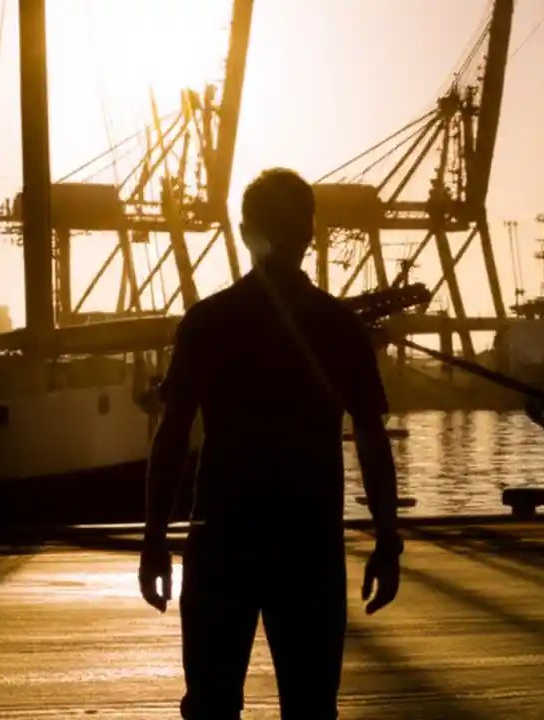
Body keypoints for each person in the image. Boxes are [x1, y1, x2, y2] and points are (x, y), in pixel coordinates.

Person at [138, 167, 403, 719]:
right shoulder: (338, 326)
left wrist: (156, 537)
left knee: (211, 705)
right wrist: (386, 539)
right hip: (309, 543)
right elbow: (372, 439)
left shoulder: (207, 322)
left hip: (222, 539)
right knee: (310, 707)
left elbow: (171, 435)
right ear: (311, 233)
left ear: (244, 232)